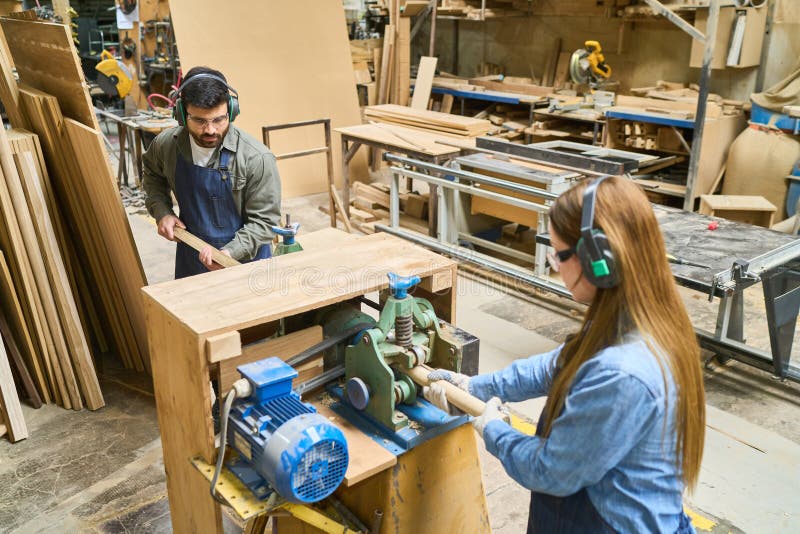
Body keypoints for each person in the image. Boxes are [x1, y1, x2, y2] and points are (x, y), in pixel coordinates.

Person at [425, 176, 706, 533]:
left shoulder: (624, 373)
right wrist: (474, 386)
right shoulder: (633, 318)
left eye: (559, 255)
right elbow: (554, 366)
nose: (555, 266)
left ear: (599, 260)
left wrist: (493, 429)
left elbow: (550, 471)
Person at [142, 66, 281, 278]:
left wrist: (228, 253)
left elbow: (265, 223)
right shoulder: (166, 146)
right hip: (192, 259)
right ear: (181, 113)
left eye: (219, 119)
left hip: (244, 263)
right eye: (199, 120)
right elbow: (152, 175)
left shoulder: (256, 158)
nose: (210, 130)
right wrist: (162, 212)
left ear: (232, 111)